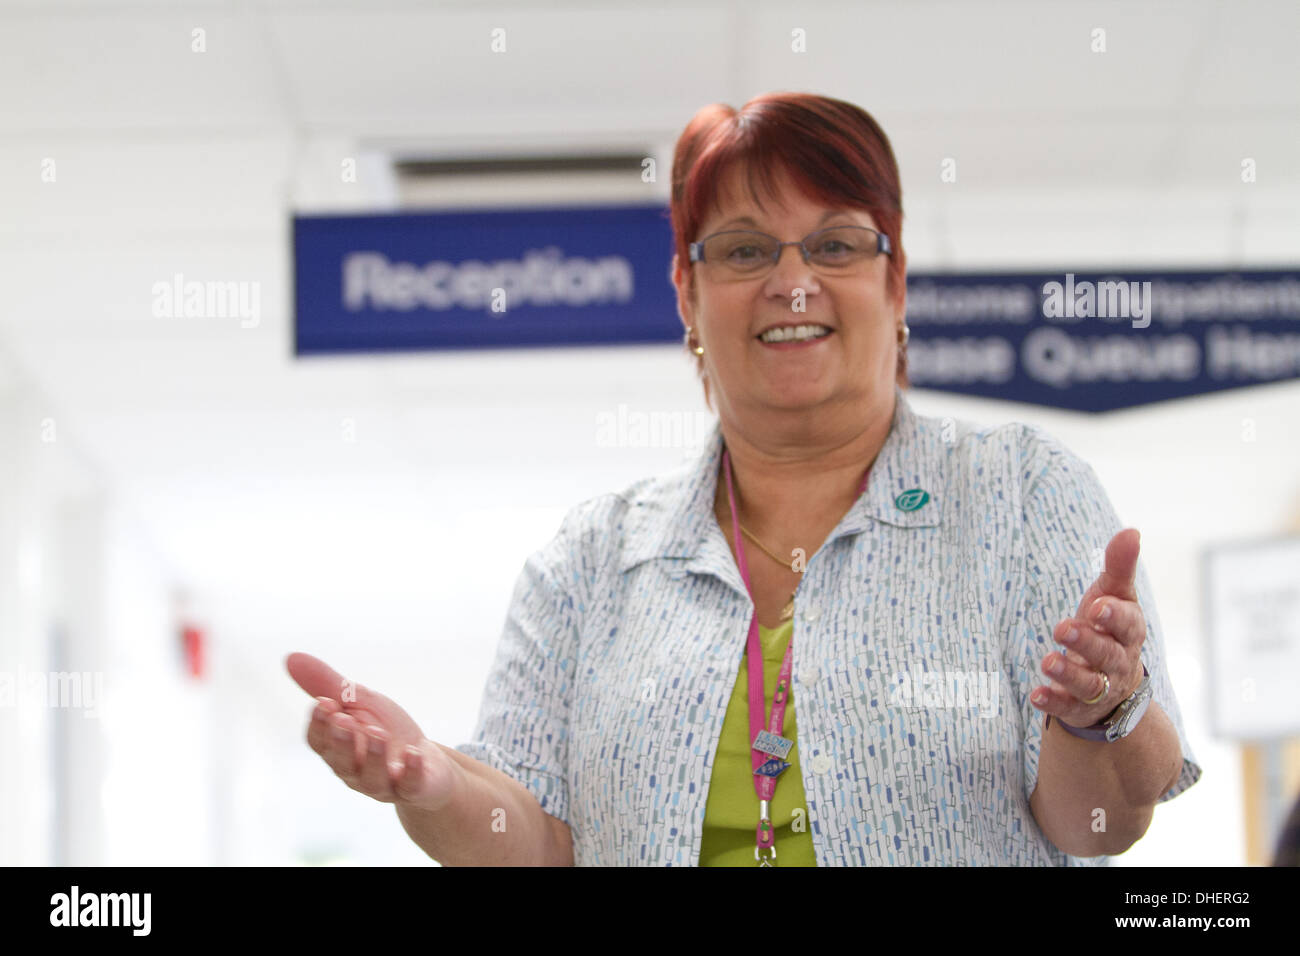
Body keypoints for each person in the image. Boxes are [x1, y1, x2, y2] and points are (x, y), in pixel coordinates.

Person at [287, 91, 1202, 866]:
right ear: (687, 297)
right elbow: (532, 839)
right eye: (743, 250)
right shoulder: (593, 560)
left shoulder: (1022, 493)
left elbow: (1098, 826)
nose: (793, 282)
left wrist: (1103, 708)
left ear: (896, 284)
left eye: (837, 245)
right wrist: (435, 783)